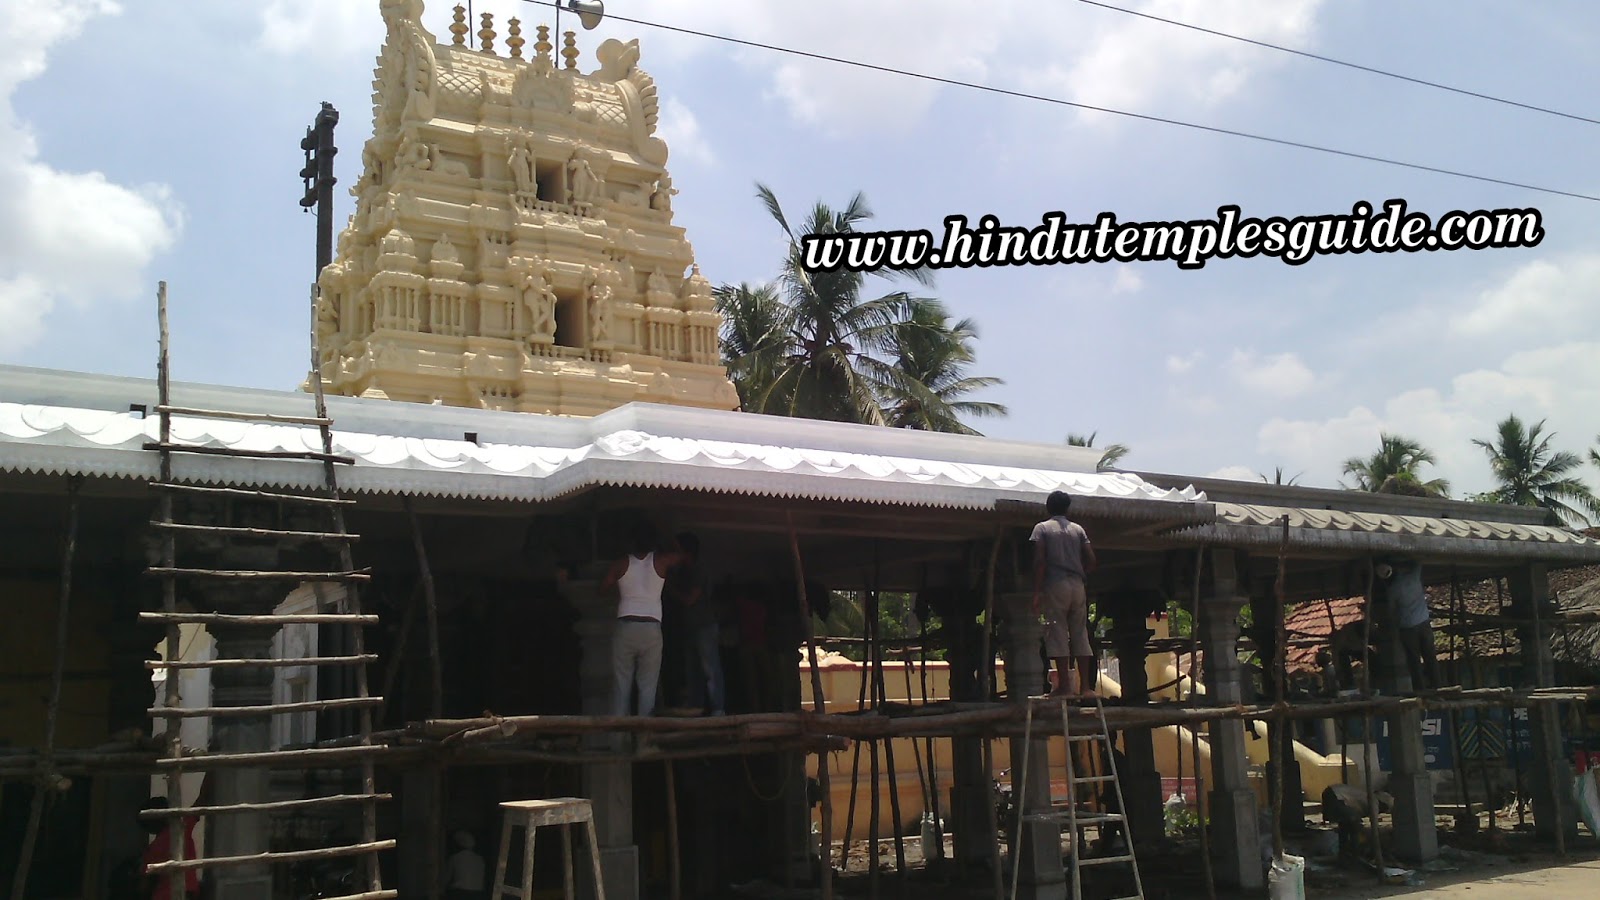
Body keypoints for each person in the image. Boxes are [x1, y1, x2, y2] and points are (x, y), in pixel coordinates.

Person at [600, 520, 686, 718]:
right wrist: (667, 538)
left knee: (621, 685)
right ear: (653, 542)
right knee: (648, 687)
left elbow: (602, 589)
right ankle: (645, 735)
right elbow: (681, 555)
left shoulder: (620, 564)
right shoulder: (661, 562)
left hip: (626, 627)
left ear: (631, 541)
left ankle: (618, 735)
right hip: (651, 629)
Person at [1030, 490, 1099, 698]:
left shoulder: (1042, 528)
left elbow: (1040, 561)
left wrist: (1037, 591)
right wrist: (1080, 573)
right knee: (1080, 633)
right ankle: (1085, 687)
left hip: (1055, 584)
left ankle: (1065, 687)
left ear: (1048, 507)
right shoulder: (1078, 529)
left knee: (1057, 632)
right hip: (1077, 585)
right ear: (1067, 508)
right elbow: (1091, 560)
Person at [671, 531, 725, 716]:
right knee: (693, 670)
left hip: (704, 625)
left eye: (677, 549)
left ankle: (718, 709)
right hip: (692, 626)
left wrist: (671, 589)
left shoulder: (699, 570)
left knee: (710, 668)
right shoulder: (684, 571)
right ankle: (696, 708)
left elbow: (690, 599)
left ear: (686, 551)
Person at [1378, 557, 1441, 690]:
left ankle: (1420, 689)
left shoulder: (1392, 590)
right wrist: (1400, 562)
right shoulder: (1413, 577)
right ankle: (1437, 686)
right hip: (1423, 623)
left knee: (1414, 660)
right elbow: (1417, 563)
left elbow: (1391, 611)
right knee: (1430, 656)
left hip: (1407, 628)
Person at [139, 797, 199, 900]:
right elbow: (199, 804)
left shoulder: (153, 848)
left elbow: (146, 885)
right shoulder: (181, 829)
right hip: (187, 893)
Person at [444, 830, 486, 900]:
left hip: (460, 893)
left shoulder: (455, 857)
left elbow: (446, 879)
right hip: (478, 894)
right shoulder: (480, 859)